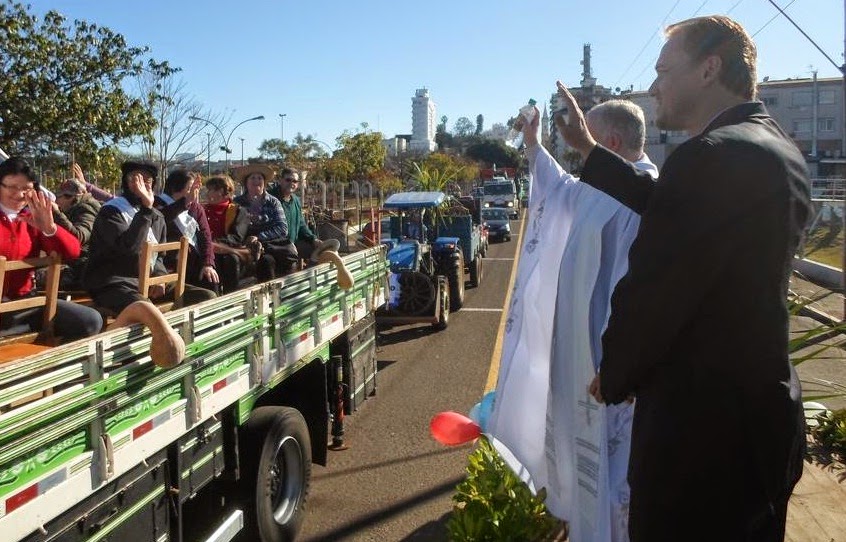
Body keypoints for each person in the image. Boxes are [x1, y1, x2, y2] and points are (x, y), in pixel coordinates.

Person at [555, 15, 810, 541]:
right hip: (762, 420)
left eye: (664, 70)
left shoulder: (709, 155)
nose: (653, 87)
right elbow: (673, 209)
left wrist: (617, 371)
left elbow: (654, 288)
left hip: (703, 438)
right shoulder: (775, 147)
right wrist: (589, 149)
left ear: (709, 69)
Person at [487, 100, 657, 542]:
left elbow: (645, 289)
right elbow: (558, 189)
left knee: (615, 481)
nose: (579, 153)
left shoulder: (643, 193)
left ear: (613, 143)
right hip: (584, 355)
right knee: (586, 474)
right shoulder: (603, 187)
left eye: (586, 139)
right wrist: (533, 143)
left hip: (611, 369)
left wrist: (621, 363)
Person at [84, 160, 217, 316]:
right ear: (126, 182)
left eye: (147, 181)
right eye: (135, 179)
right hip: (114, 282)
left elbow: (158, 256)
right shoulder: (111, 211)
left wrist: (160, 277)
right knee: (148, 311)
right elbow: (128, 249)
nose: (142, 185)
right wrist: (146, 210)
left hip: (148, 280)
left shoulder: (156, 215)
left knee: (206, 297)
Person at [0, 157, 102, 342]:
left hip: (26, 305)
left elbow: (72, 252)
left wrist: (49, 229)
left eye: (26, 189)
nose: (19, 194)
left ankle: (54, 365)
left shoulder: (33, 217)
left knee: (90, 321)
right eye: (12, 187)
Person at [156, 170, 220, 293]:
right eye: (190, 188)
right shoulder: (157, 203)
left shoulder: (196, 207)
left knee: (211, 278)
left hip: (194, 263)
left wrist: (208, 264)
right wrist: (184, 203)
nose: (194, 193)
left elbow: (205, 235)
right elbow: (161, 219)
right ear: (176, 188)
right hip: (170, 265)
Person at [232, 163, 293, 281]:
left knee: (266, 262)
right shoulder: (237, 203)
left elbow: (282, 228)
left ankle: (270, 296)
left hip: (268, 246)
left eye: (259, 178)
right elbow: (231, 227)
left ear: (264, 182)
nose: (256, 181)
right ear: (246, 182)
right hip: (242, 246)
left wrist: (259, 237)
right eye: (252, 178)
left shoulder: (273, 202)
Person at [202, 174, 262, 293]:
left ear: (222, 191)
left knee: (231, 260)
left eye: (211, 190)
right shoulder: (202, 210)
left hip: (226, 251)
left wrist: (214, 244)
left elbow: (236, 237)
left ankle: (230, 297)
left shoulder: (238, 211)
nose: (207, 193)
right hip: (207, 250)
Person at [51, 173, 101, 290]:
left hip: (80, 268)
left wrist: (57, 213)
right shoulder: (74, 208)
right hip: (75, 263)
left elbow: (79, 237)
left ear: (71, 198)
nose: (56, 201)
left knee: (37, 275)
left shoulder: (87, 209)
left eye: (58, 197)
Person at [268, 168, 323, 261]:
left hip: (293, 244)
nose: (291, 183)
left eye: (295, 181)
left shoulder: (296, 200)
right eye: (288, 180)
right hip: (275, 246)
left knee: (321, 251)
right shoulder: (270, 199)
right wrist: (287, 244)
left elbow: (301, 225)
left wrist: (313, 239)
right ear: (280, 180)